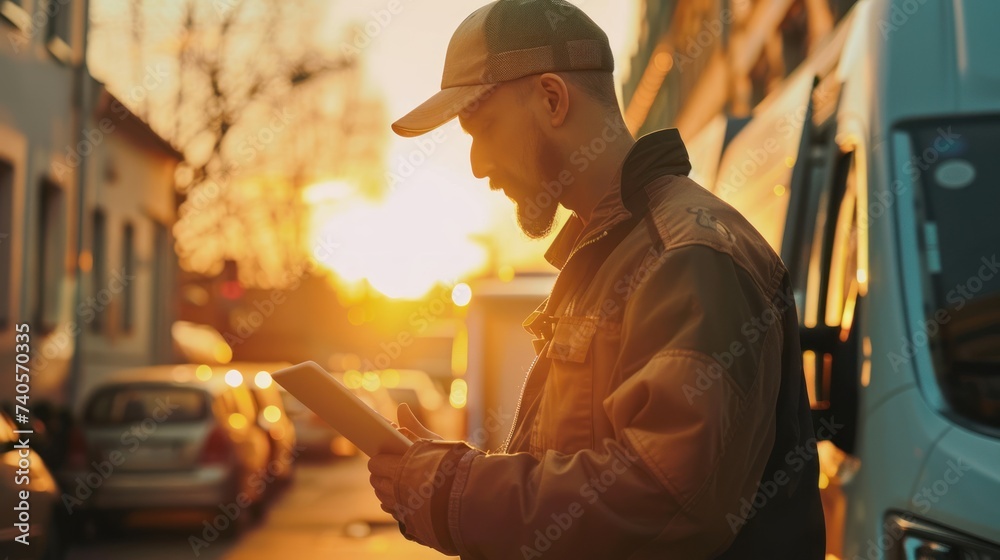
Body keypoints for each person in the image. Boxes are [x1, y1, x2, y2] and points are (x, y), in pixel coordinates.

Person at [367, 1, 826, 558]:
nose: (476, 165)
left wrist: (457, 491)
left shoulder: (685, 256)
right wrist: (452, 474)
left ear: (553, 99)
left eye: (481, 127)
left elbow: (665, 499)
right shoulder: (614, 256)